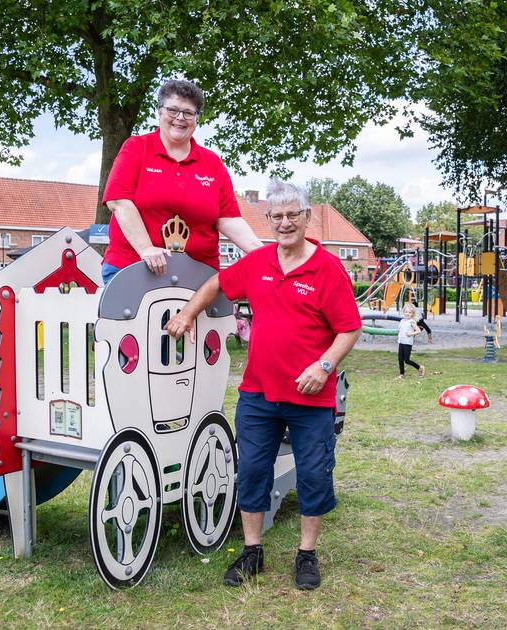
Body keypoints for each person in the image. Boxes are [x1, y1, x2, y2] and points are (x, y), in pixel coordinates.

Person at [165, 180, 361, 591]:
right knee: (252, 470)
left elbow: (349, 328)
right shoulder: (258, 262)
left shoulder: (327, 269)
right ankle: (252, 551)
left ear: (307, 217)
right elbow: (218, 283)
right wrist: (186, 313)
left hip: (311, 397)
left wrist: (324, 366)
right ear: (268, 220)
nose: (286, 222)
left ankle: (306, 554)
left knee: (313, 473)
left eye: (294, 215)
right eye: (277, 216)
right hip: (258, 394)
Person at [100, 79, 262, 284]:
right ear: (159, 112)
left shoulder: (212, 163)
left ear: (197, 118)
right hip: (133, 268)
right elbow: (119, 201)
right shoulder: (136, 148)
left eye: (188, 112)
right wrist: (146, 248)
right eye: (172, 110)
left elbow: (229, 218)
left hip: (198, 275)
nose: (180, 118)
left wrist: (264, 254)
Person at [396, 305, 424, 378]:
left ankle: (420, 368)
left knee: (407, 360)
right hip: (401, 342)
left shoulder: (412, 322)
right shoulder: (402, 321)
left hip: (408, 343)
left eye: (409, 312)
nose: (407, 314)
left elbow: (418, 331)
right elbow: (399, 330)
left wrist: (410, 334)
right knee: (400, 359)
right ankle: (401, 374)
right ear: (403, 312)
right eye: (406, 312)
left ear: (412, 314)